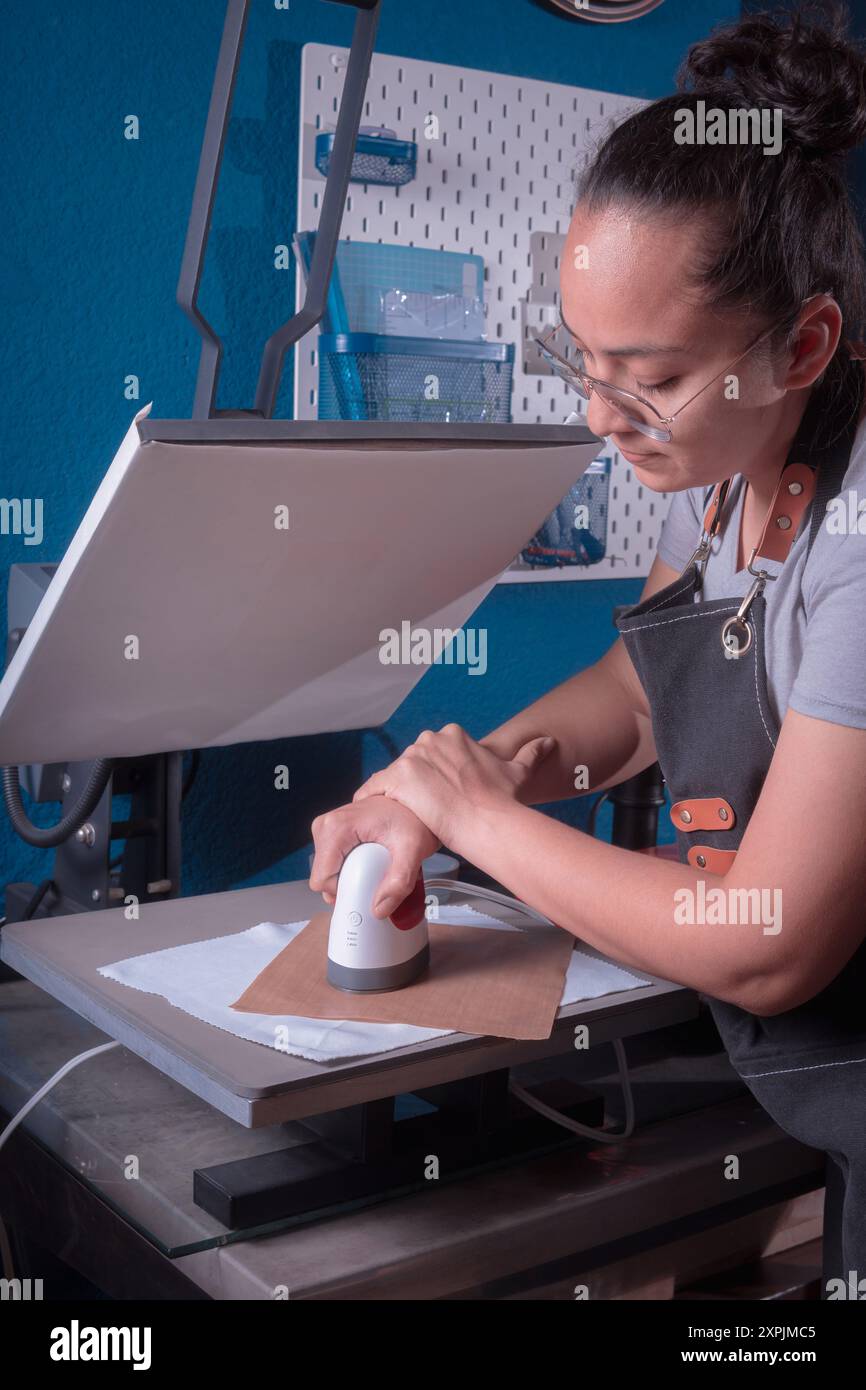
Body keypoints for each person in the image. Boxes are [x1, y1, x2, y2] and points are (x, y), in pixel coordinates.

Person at [310, 4, 866, 1291]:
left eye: (648, 378)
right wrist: (451, 787)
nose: (601, 417)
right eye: (581, 361)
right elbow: (644, 684)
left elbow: (764, 937)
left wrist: (484, 823)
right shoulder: (719, 464)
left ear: (803, 344)